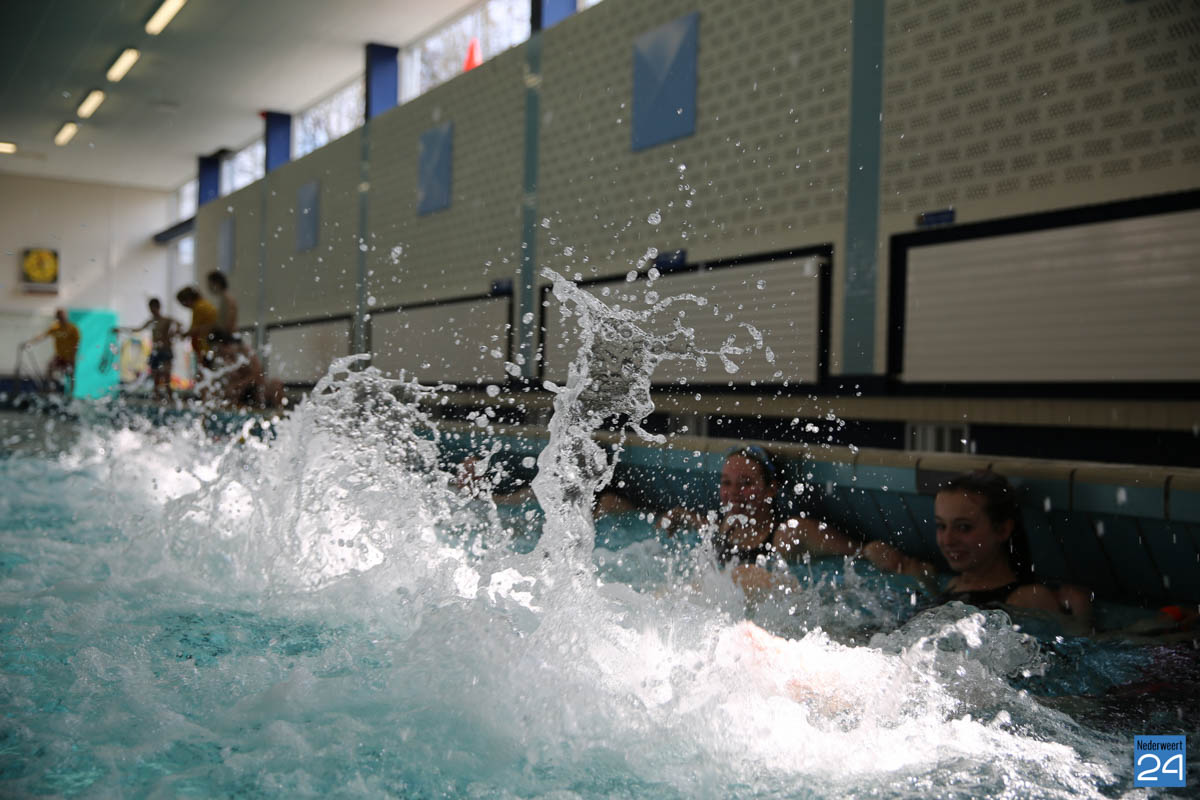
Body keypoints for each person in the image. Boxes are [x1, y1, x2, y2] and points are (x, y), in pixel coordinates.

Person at [861, 470, 1093, 628]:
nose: (948, 539)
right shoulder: (955, 584)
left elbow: (1079, 649)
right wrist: (924, 583)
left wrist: (1082, 619)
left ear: (1002, 530)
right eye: (941, 526)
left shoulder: (1026, 598)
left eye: (963, 527)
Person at [664, 445, 861, 601]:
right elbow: (708, 526)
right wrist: (683, 516)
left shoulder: (789, 533)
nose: (733, 492)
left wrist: (871, 551)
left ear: (771, 489)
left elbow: (857, 551)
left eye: (746, 483)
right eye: (726, 483)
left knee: (741, 575)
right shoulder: (728, 526)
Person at [115, 298, 179, 399]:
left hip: (166, 350)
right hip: (156, 351)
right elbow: (138, 329)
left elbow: (179, 325)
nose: (152, 310)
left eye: (154, 308)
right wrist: (121, 329)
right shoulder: (151, 321)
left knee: (166, 376)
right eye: (150, 308)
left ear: (158, 307)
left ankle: (170, 398)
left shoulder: (166, 320)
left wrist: (172, 335)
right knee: (156, 377)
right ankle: (157, 398)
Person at [211, 335, 284, 409]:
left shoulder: (247, 353)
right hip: (240, 392)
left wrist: (242, 384)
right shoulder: (224, 359)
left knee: (276, 383)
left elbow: (258, 374)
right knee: (230, 389)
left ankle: (278, 411)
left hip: (255, 387)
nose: (224, 353)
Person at [25, 308, 80, 393]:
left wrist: (72, 356)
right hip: (59, 355)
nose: (61, 320)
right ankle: (50, 390)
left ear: (66, 317)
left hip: (70, 356)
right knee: (50, 368)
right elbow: (43, 336)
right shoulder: (56, 328)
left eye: (62, 317)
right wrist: (30, 342)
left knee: (71, 376)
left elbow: (77, 344)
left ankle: (71, 394)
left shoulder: (73, 328)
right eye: (59, 318)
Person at [176, 286, 219, 369]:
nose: (184, 306)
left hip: (207, 346)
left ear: (188, 299)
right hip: (210, 345)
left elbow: (195, 330)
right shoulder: (203, 304)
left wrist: (183, 334)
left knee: (208, 373)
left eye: (183, 303)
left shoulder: (199, 307)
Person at [206, 270, 237, 339]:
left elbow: (230, 320)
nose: (209, 287)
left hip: (225, 336)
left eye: (210, 284)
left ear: (217, 283)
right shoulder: (223, 298)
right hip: (223, 335)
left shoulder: (227, 299)